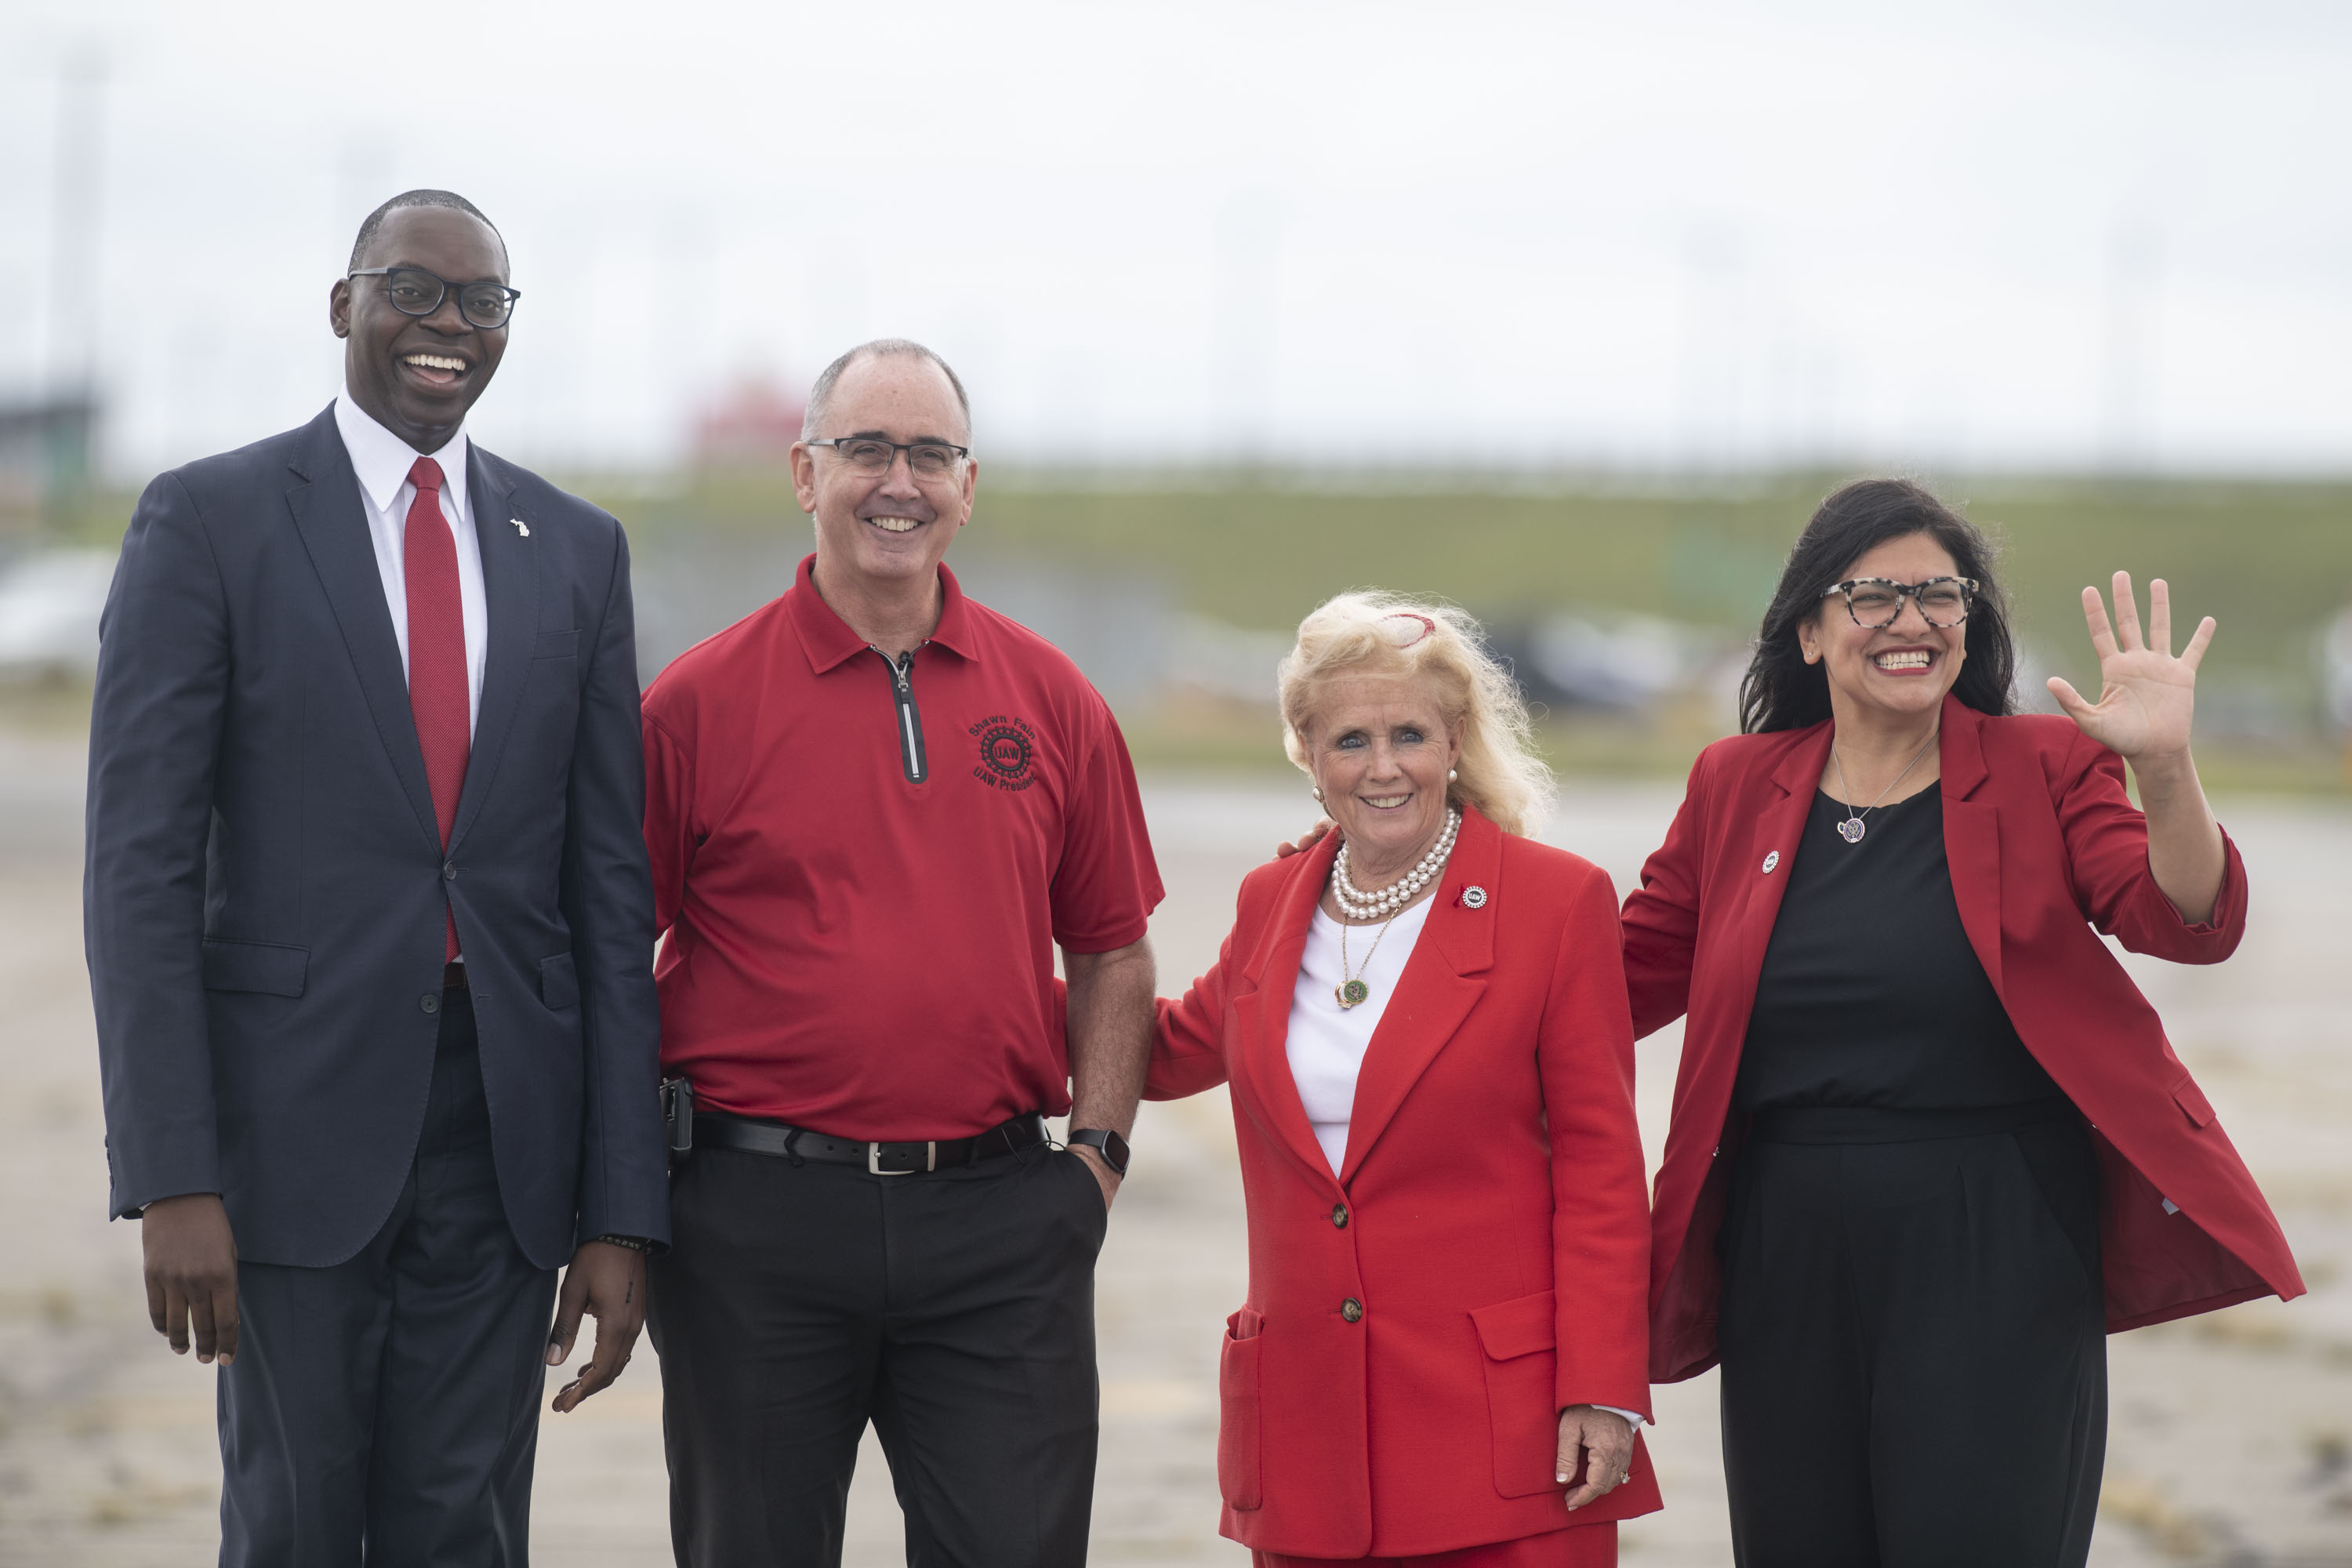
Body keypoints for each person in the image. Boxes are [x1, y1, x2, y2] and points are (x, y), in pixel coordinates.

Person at [84, 189, 666, 1563]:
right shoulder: (210, 521)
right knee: (293, 1525)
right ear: (344, 306)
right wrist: (172, 1172)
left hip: (505, 1134)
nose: (447, 325)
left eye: (482, 302)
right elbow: (140, 874)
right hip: (285, 1138)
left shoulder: (574, 550)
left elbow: (606, 892)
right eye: (414, 290)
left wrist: (621, 1205)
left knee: (464, 1529)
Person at [1622, 478, 2305, 1566]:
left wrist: (2165, 766)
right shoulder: (1735, 783)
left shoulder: (2042, 764)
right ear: (1808, 628)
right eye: (1872, 596)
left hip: (1996, 1236)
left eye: (1940, 595)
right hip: (1783, 1247)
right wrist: (1407, 895)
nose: (1911, 622)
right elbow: (1614, 981)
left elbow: (2184, 919)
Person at [641, 338, 1163, 1566]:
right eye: (865, 448)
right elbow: (614, 964)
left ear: (967, 488)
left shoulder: (1055, 699)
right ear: (803, 472)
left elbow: (1115, 956)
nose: (898, 481)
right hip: (753, 1224)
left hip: (998, 1224)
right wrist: (624, 1212)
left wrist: (1092, 1165)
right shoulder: (695, 705)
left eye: (931, 453)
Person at [1145, 592, 1661, 1567]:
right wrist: (976, 1004)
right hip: (1306, 1438)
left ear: (1456, 740)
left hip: (1503, 1440)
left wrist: (1603, 1385)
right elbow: (1170, 1047)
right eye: (1350, 738)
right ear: (1306, 748)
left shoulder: (1556, 902)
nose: (1384, 766)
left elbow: (1601, 1172)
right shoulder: (1270, 902)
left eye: (1410, 734)